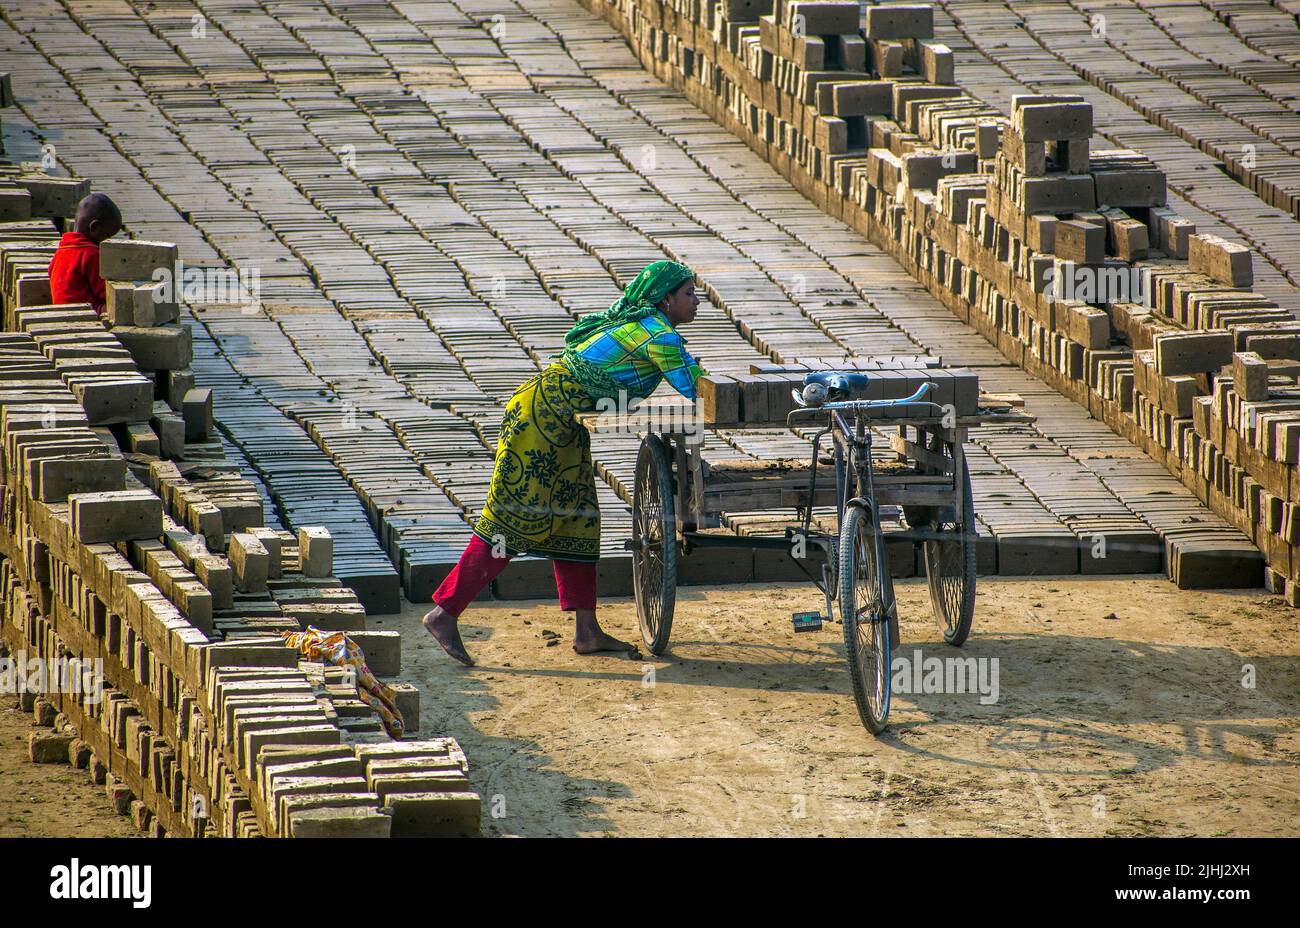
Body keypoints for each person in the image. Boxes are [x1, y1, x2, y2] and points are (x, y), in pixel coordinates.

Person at [424, 259, 705, 666]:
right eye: (689, 294)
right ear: (666, 300)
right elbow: (698, 388)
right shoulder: (658, 334)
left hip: (559, 420)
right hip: (539, 420)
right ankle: (444, 613)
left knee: (579, 518)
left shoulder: (648, 326)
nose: (696, 302)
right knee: (514, 519)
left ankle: (587, 631)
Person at [47, 193, 122, 315]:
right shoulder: (91, 254)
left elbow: (50, 272)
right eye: (107, 236)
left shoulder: (62, 250)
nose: (106, 241)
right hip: (85, 313)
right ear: (94, 227)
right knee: (118, 306)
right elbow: (106, 292)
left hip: (60, 312)